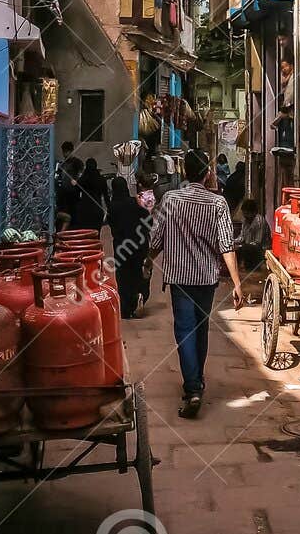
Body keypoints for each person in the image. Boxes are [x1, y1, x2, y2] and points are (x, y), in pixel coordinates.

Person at [148, 147, 241, 417]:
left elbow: (155, 240)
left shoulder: (170, 200)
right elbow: (227, 245)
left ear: (185, 172)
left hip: (180, 278)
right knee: (200, 328)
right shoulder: (217, 203)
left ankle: (193, 387)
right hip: (206, 278)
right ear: (208, 173)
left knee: (185, 330)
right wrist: (237, 283)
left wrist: (147, 260)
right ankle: (196, 380)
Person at [107, 176, 152, 318]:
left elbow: (112, 227)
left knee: (123, 276)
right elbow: (148, 221)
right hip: (139, 244)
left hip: (122, 247)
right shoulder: (135, 202)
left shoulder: (112, 206)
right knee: (139, 271)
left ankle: (126, 309)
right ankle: (140, 295)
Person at [74, 157, 108, 232]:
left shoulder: (83, 179)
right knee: (96, 235)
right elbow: (106, 197)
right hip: (97, 210)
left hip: (84, 210)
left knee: (85, 235)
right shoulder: (101, 179)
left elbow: (75, 191)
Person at [236, 198, 270, 274]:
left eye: (247, 213)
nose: (245, 215)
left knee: (244, 249)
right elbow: (241, 237)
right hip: (249, 247)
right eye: (244, 213)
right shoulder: (245, 220)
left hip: (261, 249)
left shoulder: (259, 221)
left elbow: (258, 242)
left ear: (253, 212)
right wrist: (232, 242)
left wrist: (242, 246)